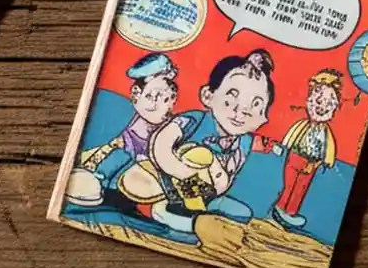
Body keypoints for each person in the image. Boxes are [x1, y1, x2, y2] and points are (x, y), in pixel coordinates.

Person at [139, 50, 278, 234]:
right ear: (208, 96)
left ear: (264, 117)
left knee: (242, 214)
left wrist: (216, 182)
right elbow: (160, 144)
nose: (241, 110)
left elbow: (229, 173)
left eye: (256, 104)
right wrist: (180, 171)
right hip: (171, 184)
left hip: (207, 194)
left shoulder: (244, 142)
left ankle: (199, 213)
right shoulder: (194, 121)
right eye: (232, 95)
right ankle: (172, 210)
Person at [68, 52, 178, 207]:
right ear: (136, 94)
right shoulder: (117, 114)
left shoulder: (169, 129)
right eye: (153, 97)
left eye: (167, 99)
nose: (162, 106)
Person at [271, 69, 342, 229]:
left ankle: (290, 212)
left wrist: (326, 161)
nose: (321, 107)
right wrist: (283, 146)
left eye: (328, 104)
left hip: (312, 163)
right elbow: (292, 135)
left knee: (301, 188)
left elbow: (328, 148)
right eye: (318, 102)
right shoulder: (303, 125)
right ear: (309, 101)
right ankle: (280, 207)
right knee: (289, 184)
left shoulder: (326, 133)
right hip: (296, 157)